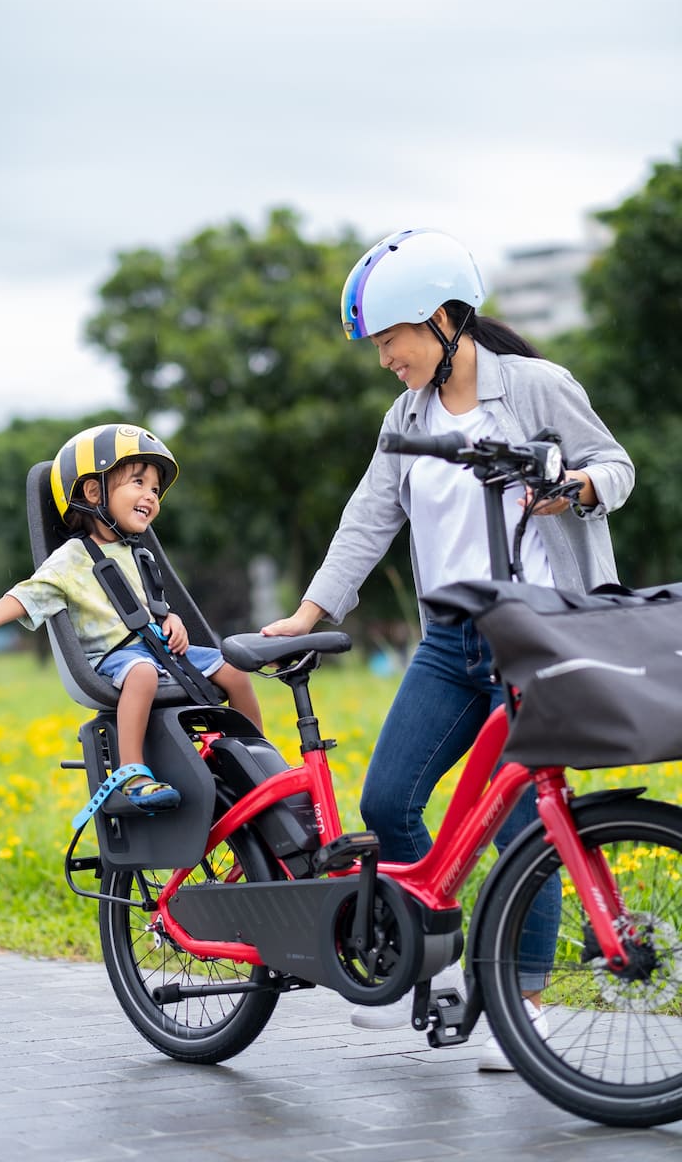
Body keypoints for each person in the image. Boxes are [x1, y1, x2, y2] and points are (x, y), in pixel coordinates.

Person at [262, 228, 634, 1066]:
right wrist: (311, 608)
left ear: (438, 321)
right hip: (450, 640)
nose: (384, 359)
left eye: (389, 340)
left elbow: (616, 466)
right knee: (388, 802)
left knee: (520, 822)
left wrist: (572, 489)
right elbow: (369, 519)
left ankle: (521, 1004)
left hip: (537, 633)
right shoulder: (408, 414)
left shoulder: (536, 388)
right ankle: (431, 957)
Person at [0, 423, 264, 811]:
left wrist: (172, 620)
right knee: (141, 673)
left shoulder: (140, 553)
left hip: (158, 651)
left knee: (234, 670)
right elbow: (30, 594)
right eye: (138, 482)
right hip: (114, 658)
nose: (150, 495)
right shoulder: (73, 558)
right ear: (94, 492)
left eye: (156, 490)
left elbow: (155, 605)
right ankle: (132, 772)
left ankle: (256, 759)